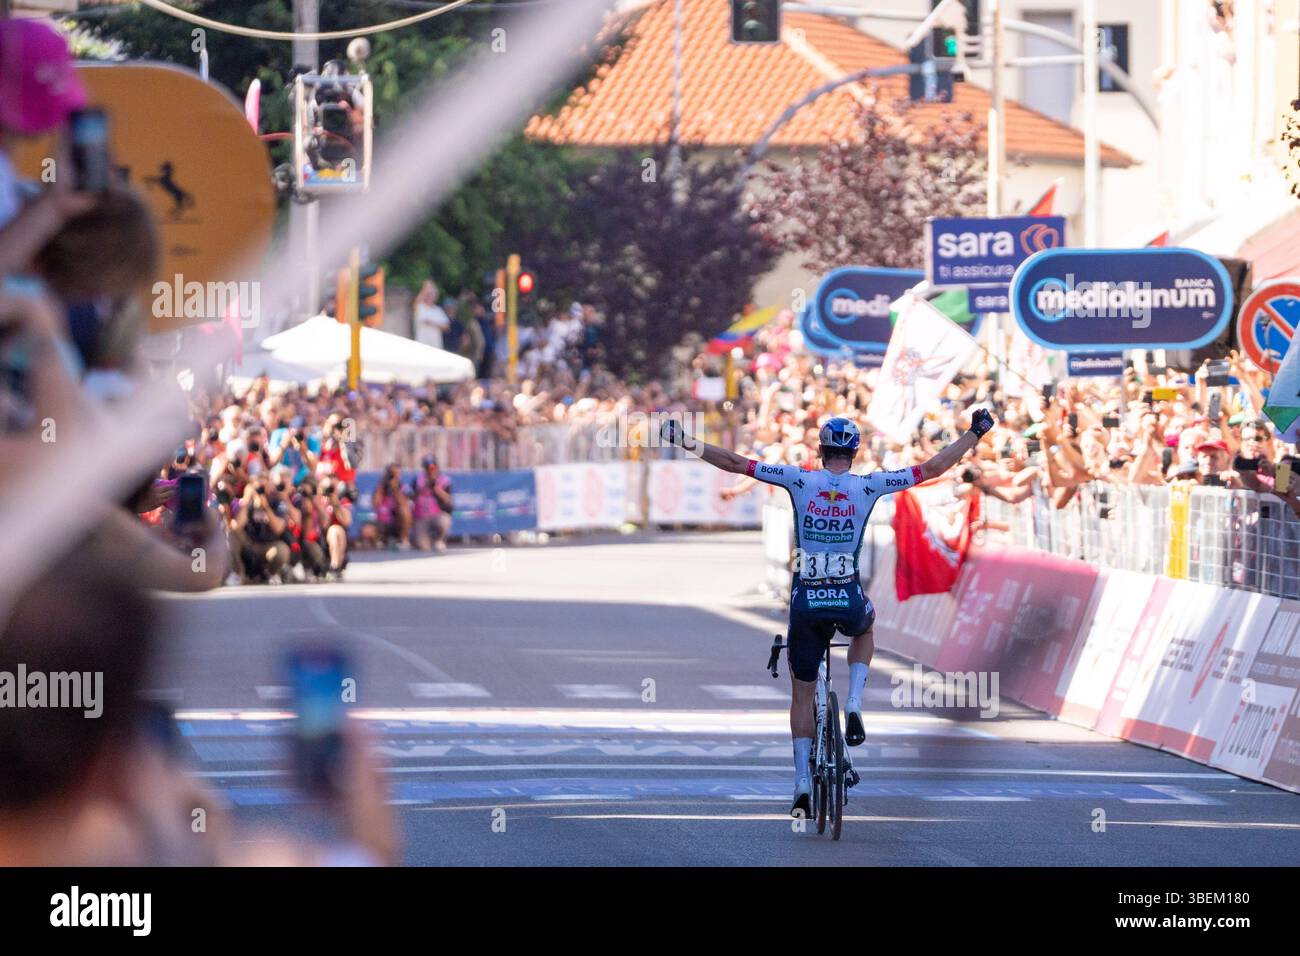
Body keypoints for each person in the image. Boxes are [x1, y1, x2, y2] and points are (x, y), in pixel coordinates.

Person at [661, 409, 996, 818]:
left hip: (806, 600)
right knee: (864, 627)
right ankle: (854, 701)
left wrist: (684, 440)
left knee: (802, 690)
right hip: (847, 595)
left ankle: (802, 780)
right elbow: (934, 467)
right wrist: (974, 433)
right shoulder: (871, 485)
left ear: (820, 451)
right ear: (854, 453)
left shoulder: (797, 479)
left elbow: (733, 462)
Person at [409, 454, 453, 552]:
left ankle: (439, 540)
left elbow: (448, 500)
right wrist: (422, 487)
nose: (430, 470)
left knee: (445, 521)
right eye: (428, 467)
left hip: (437, 514)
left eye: (433, 467)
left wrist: (435, 487)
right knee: (423, 546)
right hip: (421, 517)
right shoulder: (417, 480)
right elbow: (411, 497)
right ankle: (427, 540)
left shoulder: (444, 480)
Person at [412, 279, 450, 350]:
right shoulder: (421, 307)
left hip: (436, 346)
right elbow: (416, 303)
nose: (431, 297)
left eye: (433, 295)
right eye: (429, 294)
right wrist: (425, 288)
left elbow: (447, 327)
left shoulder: (438, 310)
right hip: (422, 345)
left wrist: (432, 323)